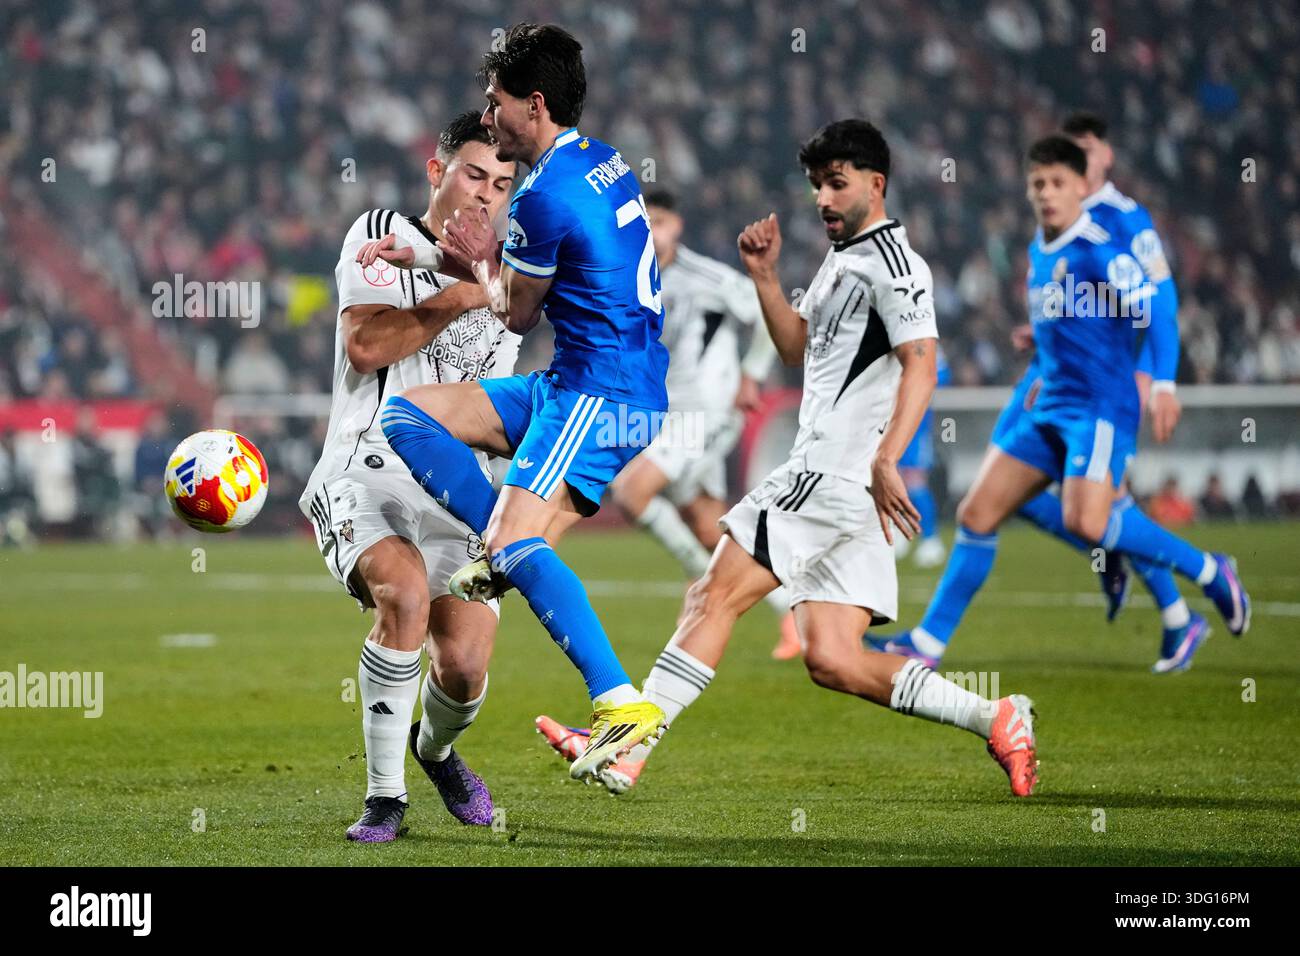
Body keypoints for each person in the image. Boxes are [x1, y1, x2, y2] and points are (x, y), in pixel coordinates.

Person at [539, 120, 1042, 798]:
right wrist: (768, 279)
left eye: (837, 185)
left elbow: (922, 363)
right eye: (816, 187)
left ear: (876, 183)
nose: (824, 200)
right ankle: (997, 716)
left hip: (833, 473)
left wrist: (890, 457)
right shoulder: (843, 260)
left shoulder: (896, 266)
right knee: (833, 659)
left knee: (711, 595)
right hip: (846, 487)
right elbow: (796, 349)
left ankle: (626, 745)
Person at [361, 24, 671, 781]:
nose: (488, 117)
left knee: (511, 542)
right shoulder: (603, 160)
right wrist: (440, 255)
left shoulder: (541, 198)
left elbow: (512, 312)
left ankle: (620, 700)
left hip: (600, 394)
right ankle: (498, 554)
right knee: (410, 414)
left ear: (532, 104)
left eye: (494, 103)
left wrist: (468, 262)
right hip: (583, 383)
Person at [874, 114, 1249, 674]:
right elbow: (1070, 313)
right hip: (1051, 397)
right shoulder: (1040, 248)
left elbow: (1158, 312)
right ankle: (927, 644)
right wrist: (1045, 345)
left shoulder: (1105, 245)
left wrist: (1162, 381)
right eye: (1038, 185)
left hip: (1099, 408)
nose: (1047, 194)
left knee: (1088, 522)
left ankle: (1209, 572)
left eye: (1057, 183)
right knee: (979, 510)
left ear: (1082, 184)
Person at [300, 111, 521, 843]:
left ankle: (437, 750)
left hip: (460, 489)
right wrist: (462, 290)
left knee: (461, 667)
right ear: (438, 172)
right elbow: (365, 346)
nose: (486, 193)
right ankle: (384, 799)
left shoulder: (521, 274)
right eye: (473, 173)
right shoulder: (381, 235)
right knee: (400, 592)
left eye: (502, 182)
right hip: (366, 470)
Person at [605, 190, 795, 658]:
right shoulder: (626, 281)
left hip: (705, 412)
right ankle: (795, 615)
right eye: (642, 220)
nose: (651, 229)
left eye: (661, 220)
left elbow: (772, 317)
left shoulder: (706, 277)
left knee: (631, 492)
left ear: (678, 227)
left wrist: (751, 375)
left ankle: (697, 581)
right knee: (707, 525)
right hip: (664, 414)